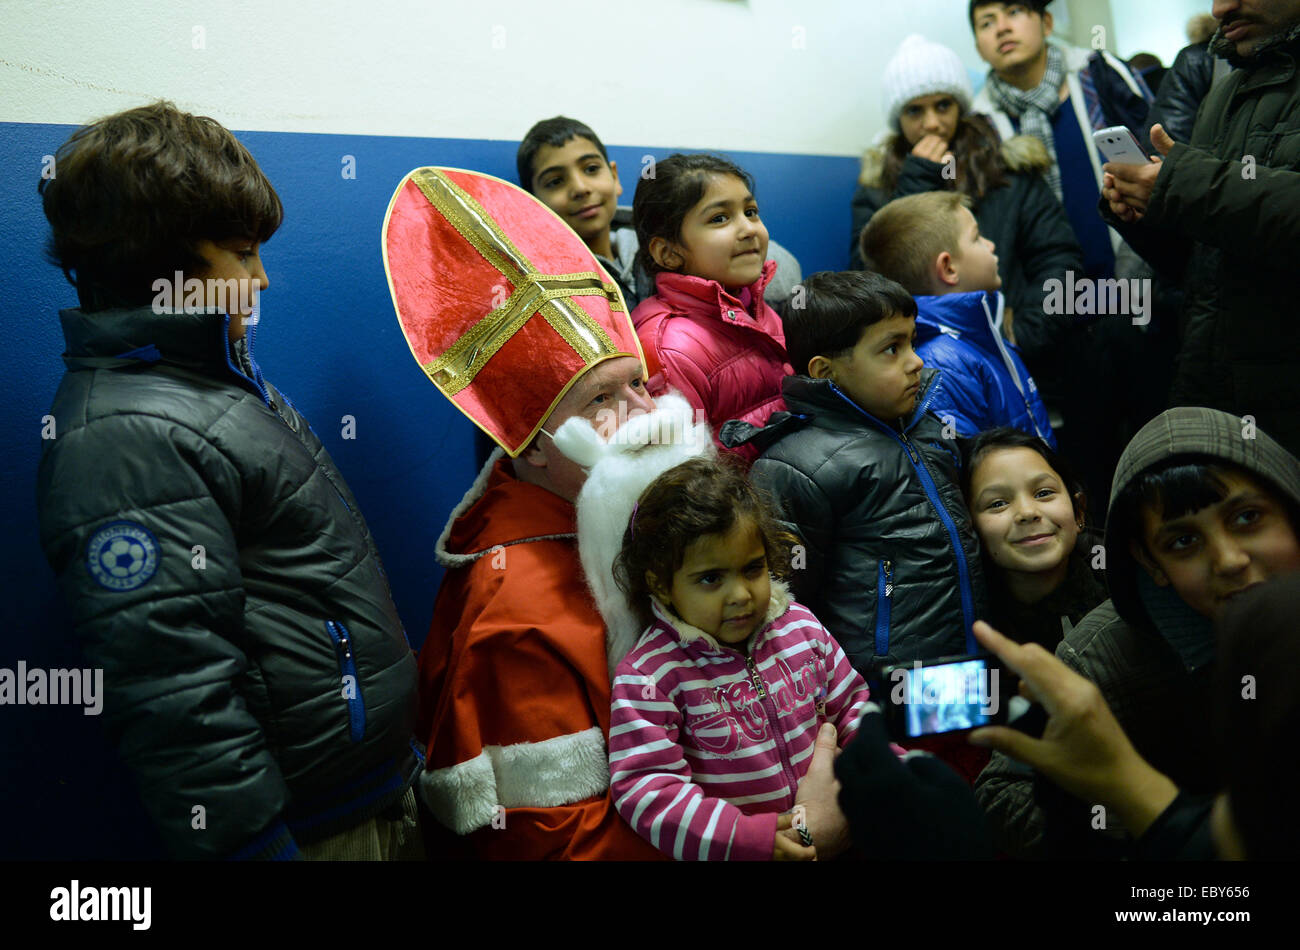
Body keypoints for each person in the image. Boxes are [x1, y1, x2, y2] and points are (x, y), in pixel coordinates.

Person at [381, 166, 846, 859]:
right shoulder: (518, 604)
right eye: (600, 401)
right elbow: (556, 839)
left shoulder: (634, 516)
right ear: (534, 446)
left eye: (638, 383)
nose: (645, 416)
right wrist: (765, 841)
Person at [35, 101, 422, 860]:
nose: (264, 278)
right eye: (241, 253)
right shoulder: (123, 437)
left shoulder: (214, 382)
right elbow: (176, 692)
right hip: (313, 832)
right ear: (161, 266)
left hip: (365, 795)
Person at [975, 406, 1300, 857]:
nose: (1229, 560)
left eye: (1247, 518)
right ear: (1151, 563)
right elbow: (1002, 796)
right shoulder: (1098, 656)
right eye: (1183, 542)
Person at [724, 270, 989, 682]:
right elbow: (788, 605)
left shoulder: (929, 428)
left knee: (976, 743)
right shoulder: (796, 466)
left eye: (911, 342)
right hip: (887, 683)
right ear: (826, 371)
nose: (916, 361)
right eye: (891, 349)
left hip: (972, 658)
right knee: (926, 747)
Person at [607, 457, 875, 860]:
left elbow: (854, 707)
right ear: (660, 583)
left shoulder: (800, 626)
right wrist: (744, 838)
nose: (740, 595)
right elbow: (648, 790)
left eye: (753, 569)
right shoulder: (650, 675)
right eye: (711, 578)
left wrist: (887, 770)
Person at [1100, 0, 1300, 458]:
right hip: (1217, 396)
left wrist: (1184, 186)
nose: (1220, 6)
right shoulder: (1228, 93)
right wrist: (1149, 212)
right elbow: (1207, 267)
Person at [849, 33, 1083, 391]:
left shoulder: (1007, 171)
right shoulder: (879, 187)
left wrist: (1020, 335)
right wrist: (915, 184)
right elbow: (868, 283)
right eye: (915, 110)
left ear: (960, 107)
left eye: (943, 105)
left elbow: (1059, 260)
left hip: (1031, 362)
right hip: (929, 371)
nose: (931, 123)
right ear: (899, 119)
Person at [516, 117, 802, 312]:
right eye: (555, 181)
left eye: (591, 169)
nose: (580, 188)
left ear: (614, 176)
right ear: (531, 200)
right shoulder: (546, 283)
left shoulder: (662, 233)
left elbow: (780, 268)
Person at [859, 191, 1055, 447]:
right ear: (948, 268)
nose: (991, 245)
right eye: (977, 238)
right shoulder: (940, 365)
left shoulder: (982, 334)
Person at [630, 153, 792, 461]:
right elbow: (684, 477)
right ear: (668, 252)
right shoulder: (668, 349)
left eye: (751, 211)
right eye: (719, 218)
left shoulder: (758, 307)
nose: (748, 229)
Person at [962, 427, 1106, 653]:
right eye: (998, 503)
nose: (1028, 512)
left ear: (1079, 512)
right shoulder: (962, 621)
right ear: (969, 528)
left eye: (1043, 493)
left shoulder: (1126, 587)